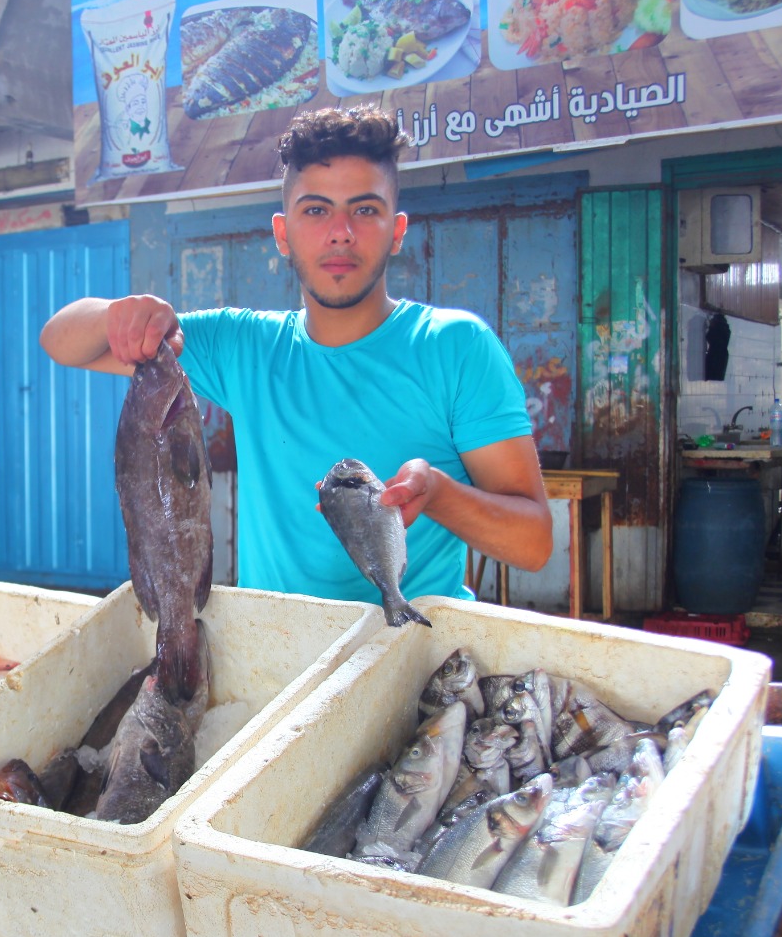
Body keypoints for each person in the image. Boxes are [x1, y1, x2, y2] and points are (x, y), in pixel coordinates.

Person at [40, 106, 551, 604]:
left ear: (396, 232)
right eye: (316, 210)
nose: (340, 231)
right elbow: (60, 342)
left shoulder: (456, 347)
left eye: (365, 210)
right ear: (283, 234)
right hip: (281, 652)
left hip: (419, 661)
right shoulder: (245, 346)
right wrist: (120, 313)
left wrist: (440, 494)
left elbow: (533, 545)